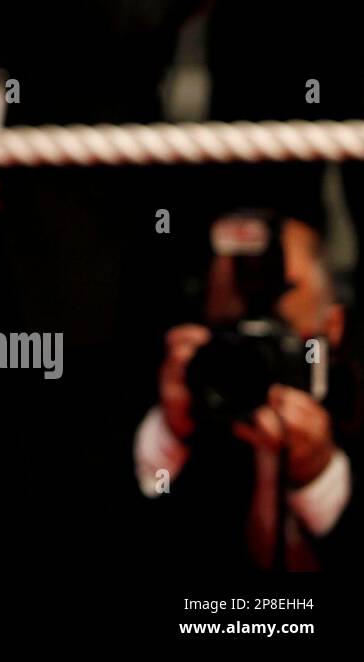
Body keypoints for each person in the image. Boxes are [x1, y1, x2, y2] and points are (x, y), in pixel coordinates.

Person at [133, 214, 364, 571]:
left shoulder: (355, 408)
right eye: (236, 334)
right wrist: (171, 433)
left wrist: (318, 473)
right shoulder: (190, 403)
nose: (256, 356)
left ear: (333, 325)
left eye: (277, 335)